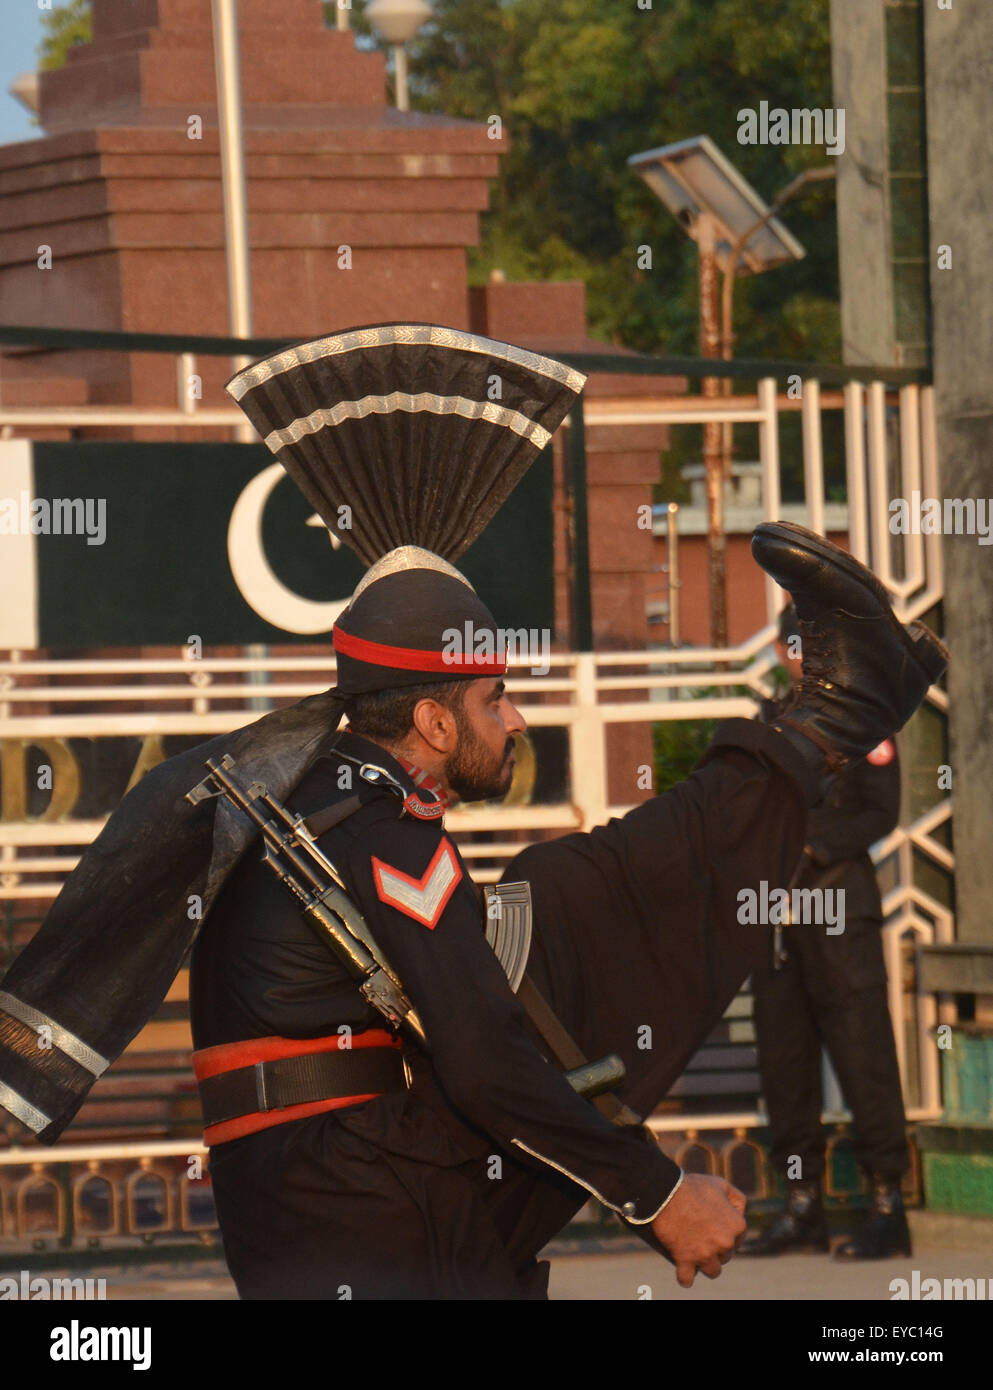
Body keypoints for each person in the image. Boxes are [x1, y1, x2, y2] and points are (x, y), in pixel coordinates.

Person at [0, 326, 946, 1300]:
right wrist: (658, 1193)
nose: (518, 716)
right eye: (495, 698)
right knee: (591, 900)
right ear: (431, 720)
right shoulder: (376, 826)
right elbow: (486, 1061)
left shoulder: (321, 793)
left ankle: (830, 720)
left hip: (319, 1198)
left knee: (568, 890)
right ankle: (834, 717)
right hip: (355, 1204)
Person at [741, 604, 911, 1261]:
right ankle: (800, 1207)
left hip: (837, 909)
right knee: (783, 1065)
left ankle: (886, 1207)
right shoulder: (767, 721)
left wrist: (807, 849)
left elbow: (879, 812)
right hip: (777, 922)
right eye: (793, 646)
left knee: (863, 1056)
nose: (801, 657)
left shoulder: (867, 717)